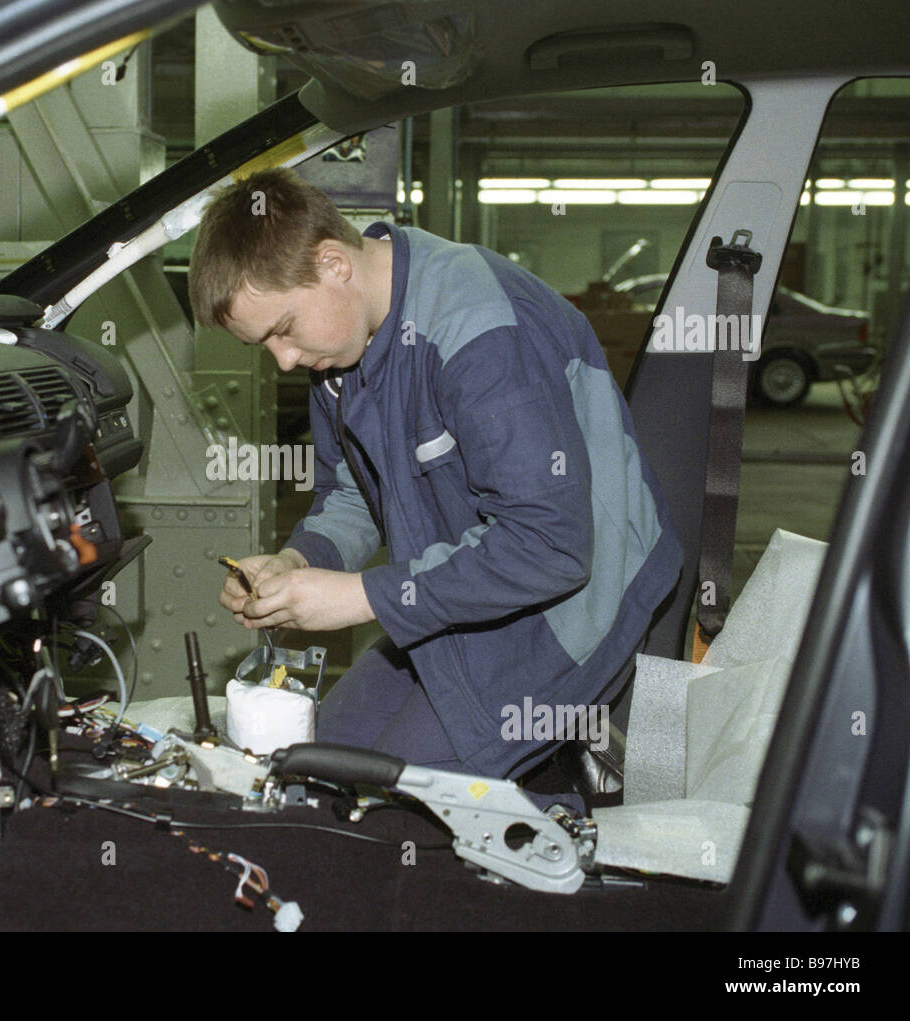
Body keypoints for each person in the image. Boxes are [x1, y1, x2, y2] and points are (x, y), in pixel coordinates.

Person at [187, 167, 682, 779]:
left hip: (568, 611)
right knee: (308, 770)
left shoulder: (480, 333)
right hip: (461, 594)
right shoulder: (341, 351)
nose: (285, 361)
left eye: (284, 330)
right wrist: (299, 565)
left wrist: (359, 596)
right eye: (262, 345)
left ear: (335, 263)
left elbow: (549, 546)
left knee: (388, 806)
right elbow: (352, 494)